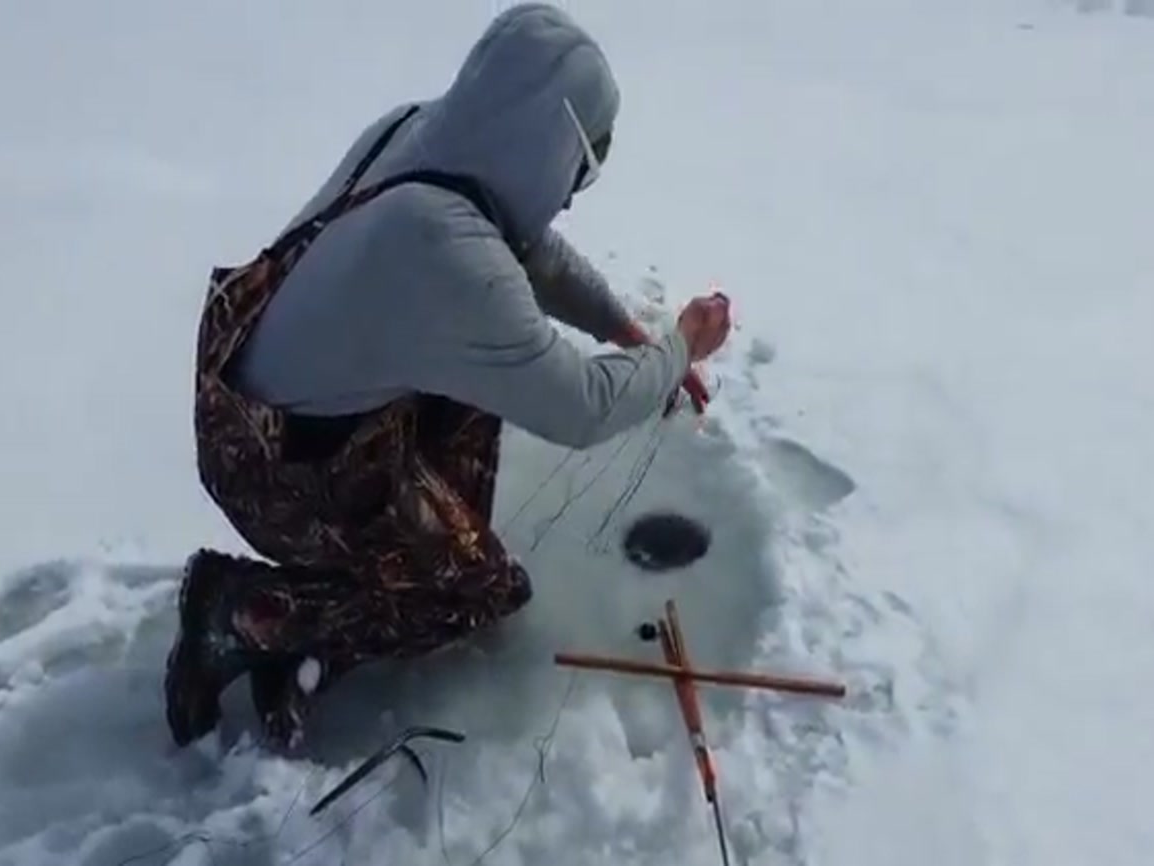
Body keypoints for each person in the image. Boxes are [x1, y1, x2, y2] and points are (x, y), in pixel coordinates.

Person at [165, 3, 732, 750]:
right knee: (470, 592)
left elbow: (528, 250)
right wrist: (679, 348)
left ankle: (305, 645)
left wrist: (625, 331)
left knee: (476, 393)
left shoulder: (418, 132)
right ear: (549, 141)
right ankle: (241, 611)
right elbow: (578, 407)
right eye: (580, 169)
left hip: (274, 400)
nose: (570, 191)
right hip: (275, 467)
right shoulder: (441, 251)